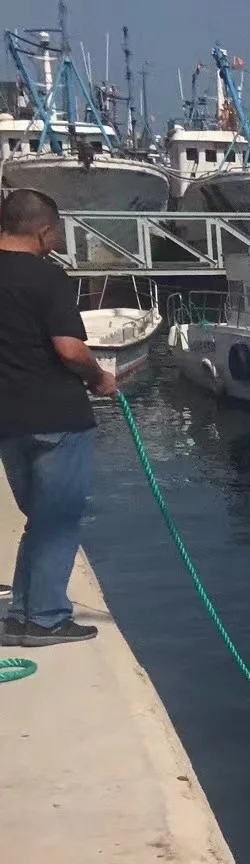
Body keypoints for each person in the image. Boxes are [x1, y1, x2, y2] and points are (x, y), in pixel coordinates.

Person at [0, 188, 114, 647]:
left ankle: (22, 615)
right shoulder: (47, 278)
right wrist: (99, 378)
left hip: (7, 420)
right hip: (56, 417)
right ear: (44, 231)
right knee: (59, 520)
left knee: (39, 518)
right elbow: (69, 349)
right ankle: (46, 618)